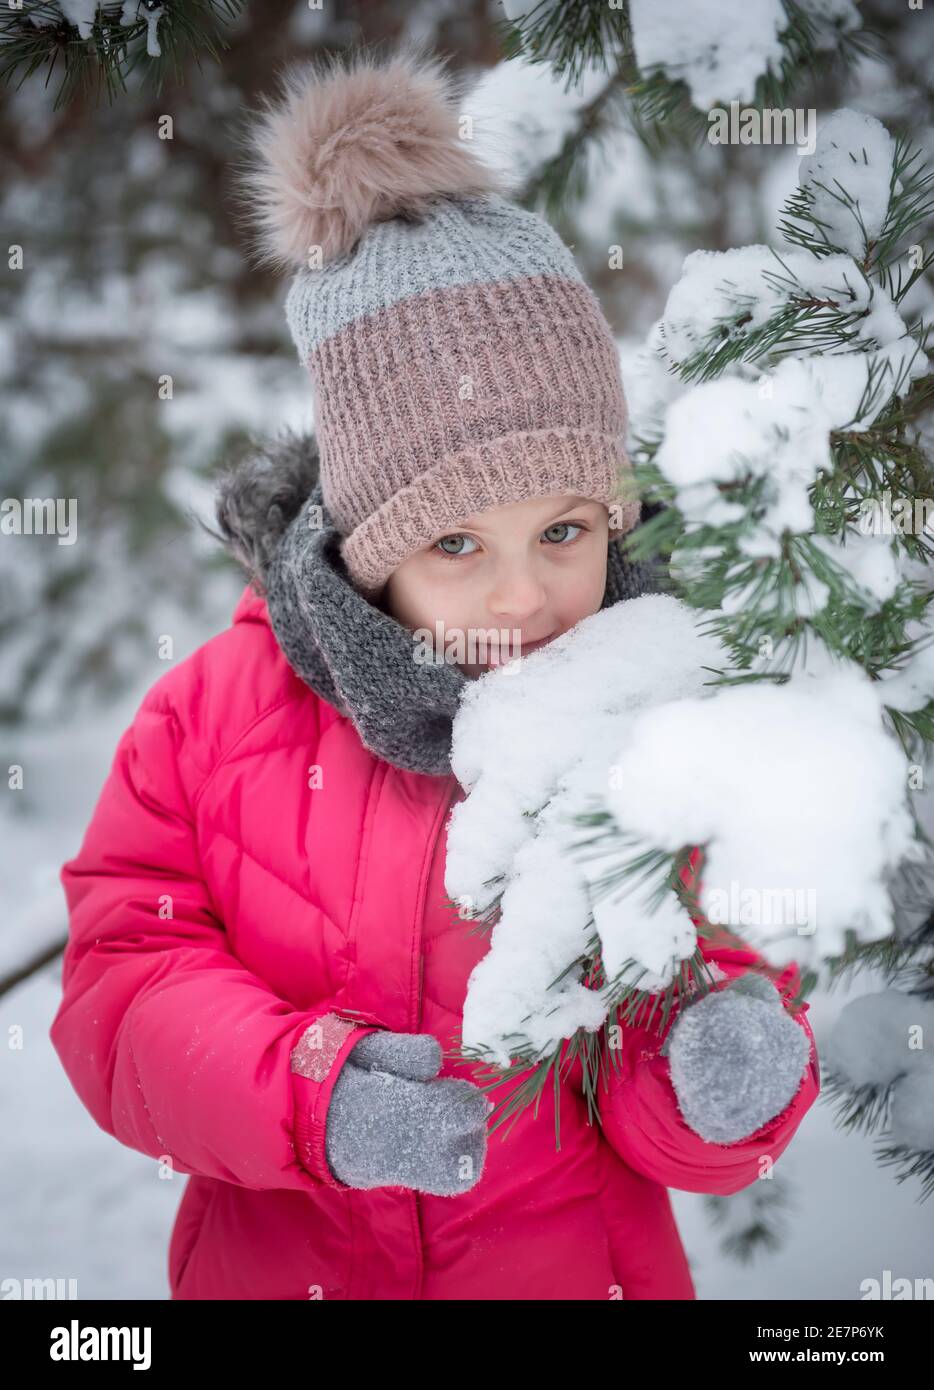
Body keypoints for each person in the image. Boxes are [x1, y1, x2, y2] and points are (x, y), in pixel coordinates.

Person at [49, 41, 820, 1300]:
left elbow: (698, 983)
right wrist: (311, 1094)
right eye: (455, 542)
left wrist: (714, 1061)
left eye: (563, 531)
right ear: (362, 544)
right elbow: (125, 986)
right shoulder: (210, 719)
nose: (523, 595)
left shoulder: (654, 717)